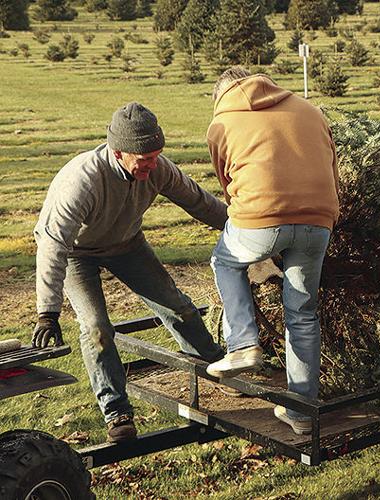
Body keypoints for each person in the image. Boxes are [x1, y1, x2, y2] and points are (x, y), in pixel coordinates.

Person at [32, 102, 228, 442]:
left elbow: (199, 202)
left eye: (156, 155)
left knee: (177, 305)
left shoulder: (157, 168)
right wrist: (47, 312)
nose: (152, 165)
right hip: (77, 253)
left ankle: (215, 369)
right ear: (118, 151)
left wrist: (244, 228)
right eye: (144, 159)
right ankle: (117, 412)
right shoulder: (81, 181)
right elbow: (53, 245)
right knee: (96, 328)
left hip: (126, 244)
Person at [205, 67, 339, 435]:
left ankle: (244, 344)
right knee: (302, 313)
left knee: (225, 260)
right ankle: (301, 413)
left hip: (261, 216)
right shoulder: (310, 110)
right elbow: (332, 167)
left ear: (221, 95)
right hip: (319, 219)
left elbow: (228, 182)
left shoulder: (222, 121)